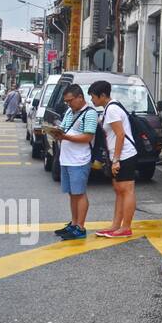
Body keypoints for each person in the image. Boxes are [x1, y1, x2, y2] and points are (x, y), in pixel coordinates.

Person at [88, 80, 139, 238]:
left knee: (126, 190)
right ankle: (116, 225)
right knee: (118, 191)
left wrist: (116, 159)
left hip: (125, 155)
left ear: (103, 95)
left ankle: (126, 227)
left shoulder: (112, 110)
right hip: (118, 155)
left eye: (93, 97)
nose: (92, 100)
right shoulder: (110, 108)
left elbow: (120, 135)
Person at [52, 84, 98, 240]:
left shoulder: (90, 114)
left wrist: (65, 137)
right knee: (72, 194)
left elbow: (87, 137)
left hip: (79, 160)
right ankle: (74, 223)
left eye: (70, 100)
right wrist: (55, 131)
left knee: (79, 193)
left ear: (80, 97)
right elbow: (63, 128)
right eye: (66, 102)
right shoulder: (70, 112)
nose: (68, 104)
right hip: (66, 158)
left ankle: (81, 227)